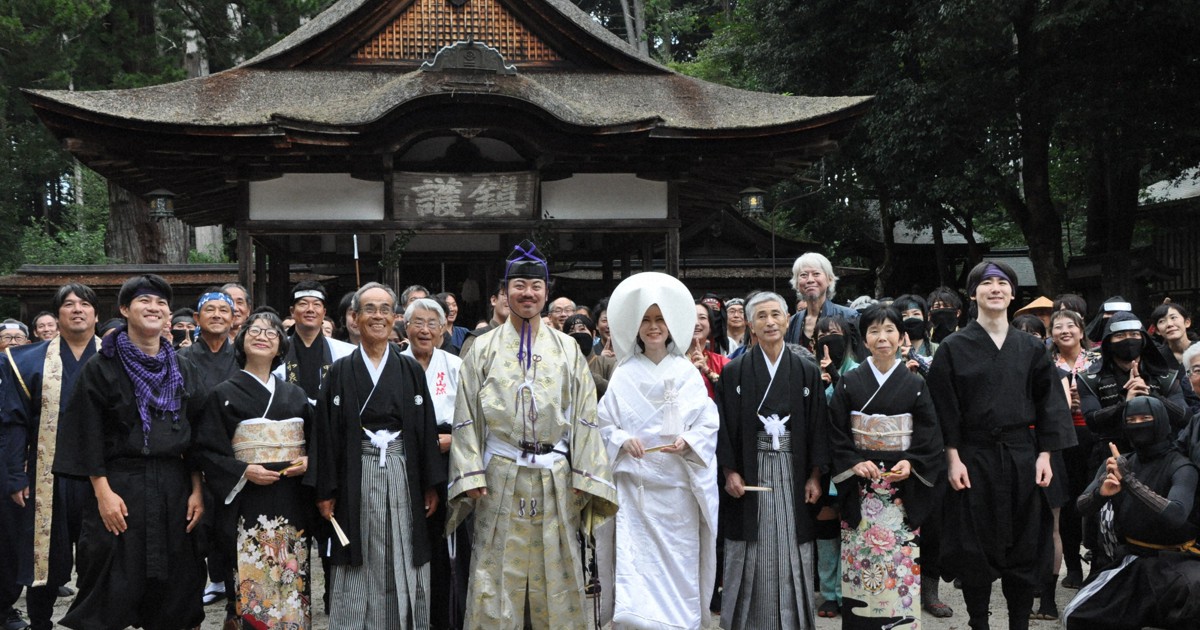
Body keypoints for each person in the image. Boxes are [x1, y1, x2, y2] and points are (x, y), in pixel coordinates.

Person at [446, 240, 617, 628]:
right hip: (500, 472)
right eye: (519, 284)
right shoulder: (482, 348)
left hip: (555, 475)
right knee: (496, 573)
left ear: (546, 292)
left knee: (558, 571)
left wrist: (584, 474)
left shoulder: (568, 349)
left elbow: (586, 414)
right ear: (505, 292)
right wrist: (470, 472)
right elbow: (466, 415)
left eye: (535, 286)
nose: (528, 292)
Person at [52, 274, 210, 630]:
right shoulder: (102, 365)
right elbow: (86, 433)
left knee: (177, 587)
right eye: (144, 301)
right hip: (120, 485)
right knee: (110, 580)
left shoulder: (183, 367)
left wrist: (197, 489)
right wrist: (103, 492)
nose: (154, 308)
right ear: (125, 309)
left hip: (174, 486)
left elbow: (199, 433)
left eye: (161, 303)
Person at [926, 261, 1075, 630]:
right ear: (973, 293)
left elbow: (1049, 404)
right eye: (986, 283)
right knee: (974, 545)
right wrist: (952, 458)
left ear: (1012, 293)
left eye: (1002, 283)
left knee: (1025, 545)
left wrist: (1045, 455)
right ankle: (979, 622)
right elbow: (943, 407)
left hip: (1023, 454)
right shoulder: (953, 347)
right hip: (972, 458)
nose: (995, 288)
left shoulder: (1031, 347)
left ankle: (1020, 623)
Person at [309, 282, 444, 628]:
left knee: (404, 547)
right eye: (370, 309)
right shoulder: (340, 371)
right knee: (359, 552)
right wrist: (326, 490)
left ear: (395, 317)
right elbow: (324, 433)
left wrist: (430, 482)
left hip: (402, 469)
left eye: (386, 309)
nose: (378, 316)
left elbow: (424, 427)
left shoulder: (409, 369)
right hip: (357, 469)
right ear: (354, 317)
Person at [597, 272, 720, 629]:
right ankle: (635, 621)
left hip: (677, 491)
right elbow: (604, 423)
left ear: (671, 326)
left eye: (660, 320)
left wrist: (690, 441)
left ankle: (680, 622)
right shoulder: (623, 373)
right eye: (647, 321)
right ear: (636, 327)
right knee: (636, 565)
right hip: (636, 491)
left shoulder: (685, 372)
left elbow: (707, 423)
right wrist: (621, 439)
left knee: (678, 564)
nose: (654, 328)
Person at [828, 304, 946, 628]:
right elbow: (836, 431)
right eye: (874, 331)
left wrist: (912, 462)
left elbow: (929, 434)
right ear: (864, 340)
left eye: (889, 330)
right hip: (861, 488)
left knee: (899, 569)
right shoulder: (850, 382)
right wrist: (854, 462)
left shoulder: (915, 383)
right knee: (861, 569)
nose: (882, 337)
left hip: (901, 491)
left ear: (901, 336)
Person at [717, 291, 829, 630]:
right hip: (751, 467)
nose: (769, 322)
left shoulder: (805, 369)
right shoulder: (735, 371)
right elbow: (723, 426)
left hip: (793, 467)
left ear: (786, 320)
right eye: (762, 316)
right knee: (753, 544)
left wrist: (815, 475)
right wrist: (729, 470)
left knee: (791, 542)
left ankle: (793, 621)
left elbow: (817, 425)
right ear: (751, 324)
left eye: (775, 315)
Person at [199, 308, 314, 629]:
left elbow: (317, 444)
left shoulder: (297, 395)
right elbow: (207, 450)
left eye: (272, 333)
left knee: (292, 581)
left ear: (281, 347)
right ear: (241, 342)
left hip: (291, 500)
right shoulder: (222, 394)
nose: (263, 337)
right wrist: (243, 471)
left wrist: (309, 462)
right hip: (247, 502)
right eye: (255, 331)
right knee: (253, 587)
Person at [0, 284, 99, 630]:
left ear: (96, 315)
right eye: (68, 305)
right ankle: (40, 622)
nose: (77, 309)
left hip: (101, 477)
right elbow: (11, 422)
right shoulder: (25, 359)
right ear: (57, 317)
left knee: (98, 556)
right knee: (44, 561)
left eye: (84, 304)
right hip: (45, 476)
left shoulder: (117, 357)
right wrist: (14, 476)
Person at [1062, 396, 1200, 629]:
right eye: (1132, 420)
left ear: (1162, 422)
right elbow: (1081, 506)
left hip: (1180, 561)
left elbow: (1176, 515)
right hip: (1132, 559)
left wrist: (1130, 482)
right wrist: (1101, 493)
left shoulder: (1182, 466)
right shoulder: (1120, 462)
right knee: (1077, 615)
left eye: (1146, 419)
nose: (1139, 424)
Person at [1077, 311, 1188, 574]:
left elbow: (1183, 416)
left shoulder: (1165, 375)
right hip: (1110, 454)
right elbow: (1092, 419)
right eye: (1120, 336)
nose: (1128, 340)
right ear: (1107, 341)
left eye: (1134, 335)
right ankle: (1101, 571)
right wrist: (1125, 402)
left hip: (1161, 458)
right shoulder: (1090, 377)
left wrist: (1151, 398)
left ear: (1144, 338)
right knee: (1101, 517)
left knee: (1155, 514)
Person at [400, 297, 467, 630]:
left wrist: (454, 440)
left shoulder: (456, 366)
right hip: (406, 462)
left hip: (448, 459)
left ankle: (446, 616)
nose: (425, 330)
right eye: (418, 323)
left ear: (443, 330)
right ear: (406, 327)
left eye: (432, 324)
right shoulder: (395, 365)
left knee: (446, 543)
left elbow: (474, 422)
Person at [177, 290, 241, 612]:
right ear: (197, 319)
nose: (217, 315)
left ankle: (236, 600)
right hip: (194, 457)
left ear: (234, 319)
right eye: (210, 310)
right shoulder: (181, 359)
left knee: (234, 533)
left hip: (236, 459)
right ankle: (196, 597)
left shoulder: (242, 357)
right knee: (197, 532)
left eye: (224, 310)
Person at [1048, 309, 1100, 591]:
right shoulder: (1046, 364)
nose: (1064, 331)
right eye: (1058, 327)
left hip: (1092, 437)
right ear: (1051, 334)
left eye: (1071, 326)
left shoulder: (1097, 362)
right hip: (1061, 441)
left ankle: (1097, 565)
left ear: (1082, 331)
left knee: (1092, 499)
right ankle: (1073, 567)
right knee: (1065, 505)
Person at [274, 281, 356, 406]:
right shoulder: (275, 350)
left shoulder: (347, 352)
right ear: (292, 311)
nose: (310, 309)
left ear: (323, 312)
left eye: (316, 304)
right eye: (303, 304)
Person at [784, 252, 859, 349]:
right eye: (803, 275)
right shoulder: (791, 323)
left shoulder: (850, 317)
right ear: (797, 283)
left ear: (829, 279)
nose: (810, 280)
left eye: (816, 274)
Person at [563, 313, 615, 398]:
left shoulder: (609, 363)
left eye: (582, 329)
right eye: (571, 331)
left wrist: (587, 373)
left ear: (593, 334)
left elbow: (615, 392)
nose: (577, 333)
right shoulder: (562, 364)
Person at [458, 280, 510, 356]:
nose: (510, 300)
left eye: (513, 297)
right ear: (493, 300)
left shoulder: (522, 338)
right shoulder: (477, 338)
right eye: (505, 295)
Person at [690, 302, 730, 399]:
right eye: (691, 317)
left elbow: (732, 392)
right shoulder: (672, 361)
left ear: (711, 326)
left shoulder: (723, 363)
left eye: (702, 317)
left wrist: (707, 370)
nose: (696, 323)